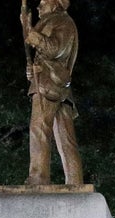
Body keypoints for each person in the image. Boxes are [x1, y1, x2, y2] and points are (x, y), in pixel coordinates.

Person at [20, 0, 83, 186]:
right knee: (65, 138)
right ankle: (75, 181)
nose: (39, 8)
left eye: (43, 3)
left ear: (56, 4)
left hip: (50, 86)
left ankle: (38, 178)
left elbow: (56, 49)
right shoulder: (57, 21)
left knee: (39, 128)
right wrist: (31, 70)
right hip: (55, 86)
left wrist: (31, 32)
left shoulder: (62, 21)